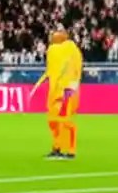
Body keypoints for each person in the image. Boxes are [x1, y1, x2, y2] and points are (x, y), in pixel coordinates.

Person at [33, 29, 82, 160]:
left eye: (54, 37)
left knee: (65, 120)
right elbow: (51, 70)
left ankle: (70, 151)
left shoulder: (71, 50)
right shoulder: (54, 51)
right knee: (53, 121)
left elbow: (75, 71)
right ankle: (56, 148)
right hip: (55, 90)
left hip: (66, 90)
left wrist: (71, 87)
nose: (51, 39)